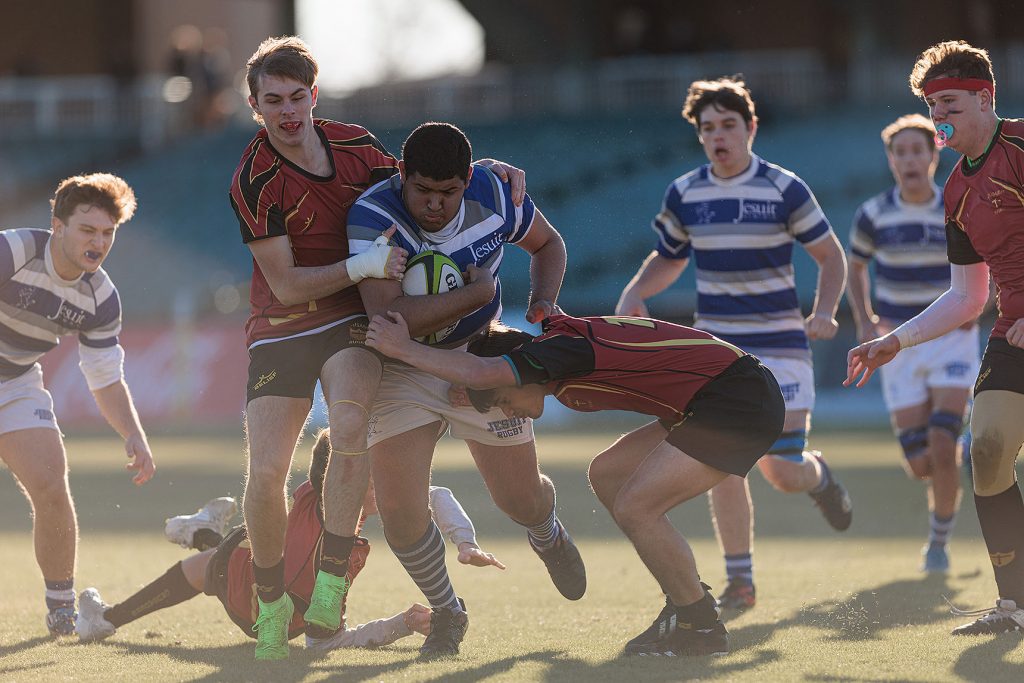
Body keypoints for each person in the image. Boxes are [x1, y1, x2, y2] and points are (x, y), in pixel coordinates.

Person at [228, 37, 521, 660]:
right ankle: (274, 598)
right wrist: (361, 262)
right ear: (255, 106)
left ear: (315, 94)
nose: (287, 111)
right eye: (272, 101)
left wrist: (487, 172)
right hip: (281, 325)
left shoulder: (357, 146)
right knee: (266, 471)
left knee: (352, 422)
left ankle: (331, 581)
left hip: (349, 323)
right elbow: (285, 284)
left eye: (297, 97)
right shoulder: (253, 181)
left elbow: (423, 183)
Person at [365, 311, 785, 656]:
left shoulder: (552, 356)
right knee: (607, 474)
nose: (510, 411)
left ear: (515, 372)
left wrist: (402, 348)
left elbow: (484, 368)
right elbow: (494, 368)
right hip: (717, 398)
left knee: (637, 508)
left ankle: (700, 626)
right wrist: (478, 384)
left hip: (737, 398)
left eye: (503, 398)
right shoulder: (553, 360)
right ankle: (687, 600)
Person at [614, 76, 852, 611]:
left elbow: (831, 256)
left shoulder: (783, 188)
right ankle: (740, 580)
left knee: (784, 473)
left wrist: (823, 312)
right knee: (719, 461)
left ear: (751, 128)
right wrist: (634, 291)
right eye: (707, 129)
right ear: (699, 136)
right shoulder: (685, 192)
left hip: (783, 347)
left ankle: (819, 477)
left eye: (728, 125)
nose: (718, 136)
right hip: (720, 356)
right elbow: (670, 257)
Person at [346, 122, 583, 658]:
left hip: (480, 361)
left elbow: (549, 244)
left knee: (519, 500)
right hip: (402, 368)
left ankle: (545, 531)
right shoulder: (372, 215)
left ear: (468, 180)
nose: (434, 205)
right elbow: (389, 317)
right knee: (400, 512)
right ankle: (448, 613)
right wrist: (480, 290)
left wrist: (542, 306)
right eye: (422, 191)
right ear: (401, 176)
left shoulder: (497, 192)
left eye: (448, 193)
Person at [847, 39, 1024, 636]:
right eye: (931, 106)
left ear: (985, 98)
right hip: (1011, 333)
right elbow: (968, 298)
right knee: (989, 454)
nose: (938, 118)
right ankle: (1015, 606)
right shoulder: (954, 193)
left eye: (948, 104)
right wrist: (893, 342)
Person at [75, 429, 504, 649]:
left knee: (229, 553)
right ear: (339, 483)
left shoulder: (337, 530)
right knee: (222, 559)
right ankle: (198, 536)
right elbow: (325, 641)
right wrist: (399, 626)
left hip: (265, 615)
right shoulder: (331, 524)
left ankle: (197, 536)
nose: (392, 479)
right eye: (373, 471)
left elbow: (434, 494)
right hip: (249, 595)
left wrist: (463, 542)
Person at [0, 173, 156, 637]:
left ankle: (61, 610)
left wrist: (134, 433)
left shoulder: (101, 298)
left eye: (108, 233)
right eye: (88, 230)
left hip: (15, 381)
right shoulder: (13, 250)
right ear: (58, 226)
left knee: (51, 484)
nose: (99, 242)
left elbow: (105, 378)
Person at [846, 113, 978, 573]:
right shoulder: (874, 213)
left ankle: (938, 544)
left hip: (951, 337)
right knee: (921, 463)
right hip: (895, 344)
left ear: (933, 154)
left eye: (917, 150)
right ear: (890, 160)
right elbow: (855, 266)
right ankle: (962, 451)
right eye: (899, 152)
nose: (909, 159)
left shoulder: (955, 203)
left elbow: (992, 256)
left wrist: (981, 304)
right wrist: (864, 321)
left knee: (942, 444)